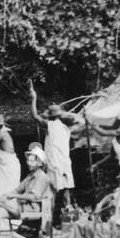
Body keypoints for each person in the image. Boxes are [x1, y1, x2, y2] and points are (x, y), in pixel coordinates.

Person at [0, 146, 52, 238]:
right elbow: (18, 189)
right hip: (23, 208)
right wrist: (8, 194)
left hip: (34, 210)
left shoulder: (41, 177)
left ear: (39, 163)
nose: (28, 162)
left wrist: (14, 196)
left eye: (32, 160)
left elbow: (33, 197)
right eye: (28, 160)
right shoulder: (30, 176)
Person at [29, 83, 82, 218]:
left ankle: (49, 223)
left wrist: (33, 98)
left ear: (50, 117)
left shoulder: (50, 125)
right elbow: (76, 119)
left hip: (55, 164)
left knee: (50, 195)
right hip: (65, 164)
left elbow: (35, 116)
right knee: (66, 195)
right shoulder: (66, 128)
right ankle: (70, 221)